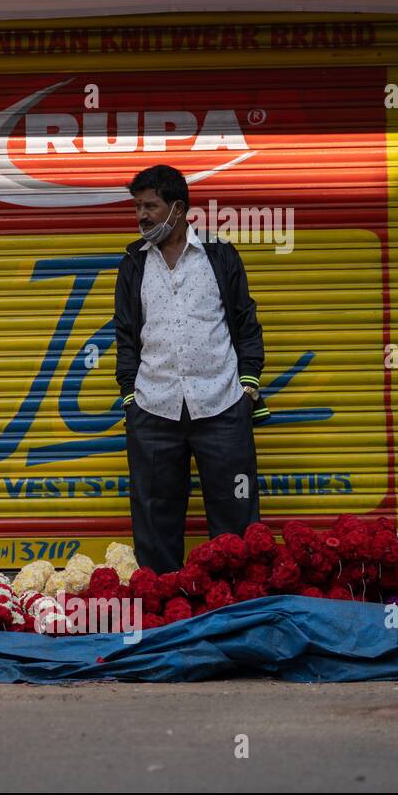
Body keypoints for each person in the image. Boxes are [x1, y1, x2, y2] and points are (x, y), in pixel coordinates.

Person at [113, 165, 268, 575]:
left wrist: (247, 389)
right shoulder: (133, 263)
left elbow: (245, 322)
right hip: (153, 409)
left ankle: (237, 605)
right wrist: (131, 397)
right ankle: (164, 608)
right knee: (154, 517)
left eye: (151, 206)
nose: (141, 215)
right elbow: (126, 335)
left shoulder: (219, 255)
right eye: (138, 207)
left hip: (221, 405)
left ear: (178, 209)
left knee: (235, 515)